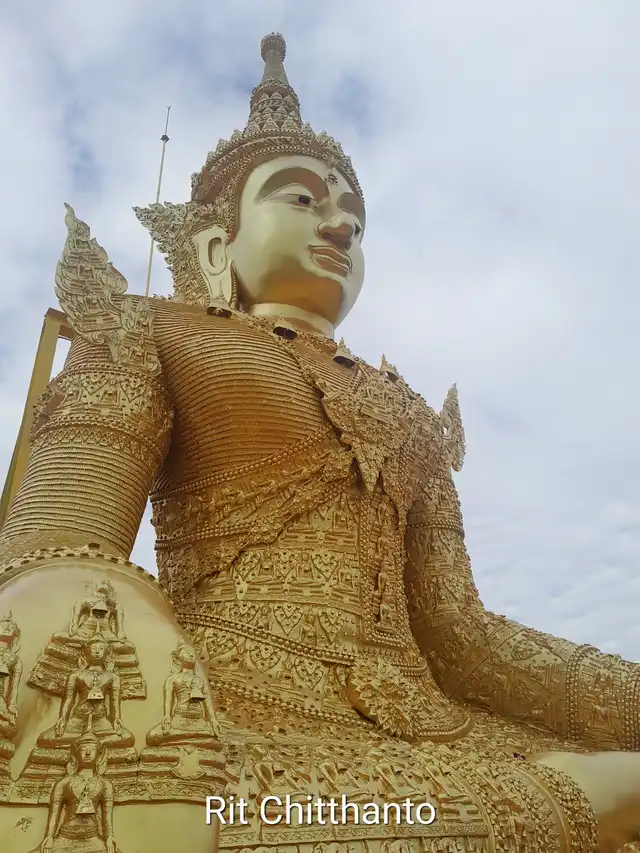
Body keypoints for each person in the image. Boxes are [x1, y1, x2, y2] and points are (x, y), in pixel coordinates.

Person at [1, 31, 640, 853]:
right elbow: (57, 555)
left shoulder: (407, 411)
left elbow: (465, 638)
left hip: (440, 732)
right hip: (232, 718)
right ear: (214, 242)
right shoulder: (147, 331)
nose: (338, 225)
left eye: (354, 219)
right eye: (301, 199)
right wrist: (112, 635)